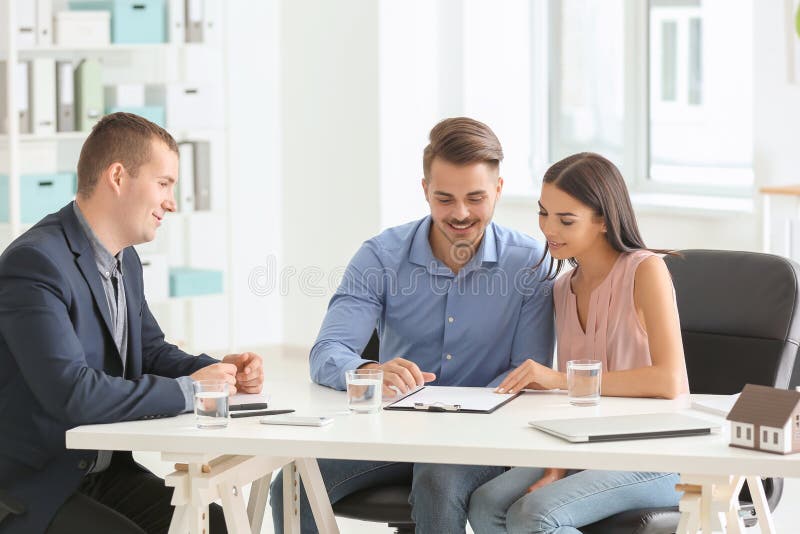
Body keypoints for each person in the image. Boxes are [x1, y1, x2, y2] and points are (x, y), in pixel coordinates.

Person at [269, 117, 555, 533]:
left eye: (475, 198)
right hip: (395, 431)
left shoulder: (532, 265)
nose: (460, 214)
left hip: (483, 435)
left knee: (437, 480)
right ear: (425, 191)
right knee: (292, 485)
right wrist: (369, 371)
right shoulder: (380, 256)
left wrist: (462, 413)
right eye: (444, 198)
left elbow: (525, 371)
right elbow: (327, 352)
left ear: (498, 189)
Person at [0, 112, 264, 534]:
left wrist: (218, 370)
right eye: (164, 184)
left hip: (99, 473)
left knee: (211, 525)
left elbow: (151, 350)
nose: (172, 202)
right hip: (37, 487)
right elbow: (73, 394)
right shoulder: (35, 264)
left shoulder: (125, 260)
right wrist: (193, 390)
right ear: (118, 177)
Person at [467, 152, 690, 534]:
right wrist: (557, 465)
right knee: (487, 504)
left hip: (657, 454)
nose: (549, 229)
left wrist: (561, 380)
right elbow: (579, 408)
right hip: (586, 448)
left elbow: (669, 381)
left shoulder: (646, 271)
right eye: (543, 213)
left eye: (566, 219)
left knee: (532, 515)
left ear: (603, 220)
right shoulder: (562, 289)